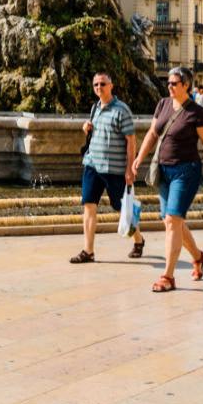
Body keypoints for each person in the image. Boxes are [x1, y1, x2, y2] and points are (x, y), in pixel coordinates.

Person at [128, 67, 203, 293]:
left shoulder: (197, 113)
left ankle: (168, 276)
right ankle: (198, 257)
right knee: (171, 221)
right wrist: (139, 158)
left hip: (186, 171)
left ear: (186, 85)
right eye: (168, 83)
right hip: (164, 171)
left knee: (173, 220)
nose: (170, 86)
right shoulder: (163, 104)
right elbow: (152, 133)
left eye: (174, 83)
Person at [73, 72, 143, 263]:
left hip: (114, 169)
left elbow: (131, 141)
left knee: (123, 209)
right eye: (95, 84)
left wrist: (130, 168)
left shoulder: (122, 110)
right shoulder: (95, 108)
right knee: (89, 205)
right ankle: (88, 251)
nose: (99, 87)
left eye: (102, 83)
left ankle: (138, 239)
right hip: (92, 165)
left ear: (111, 85)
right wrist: (87, 127)